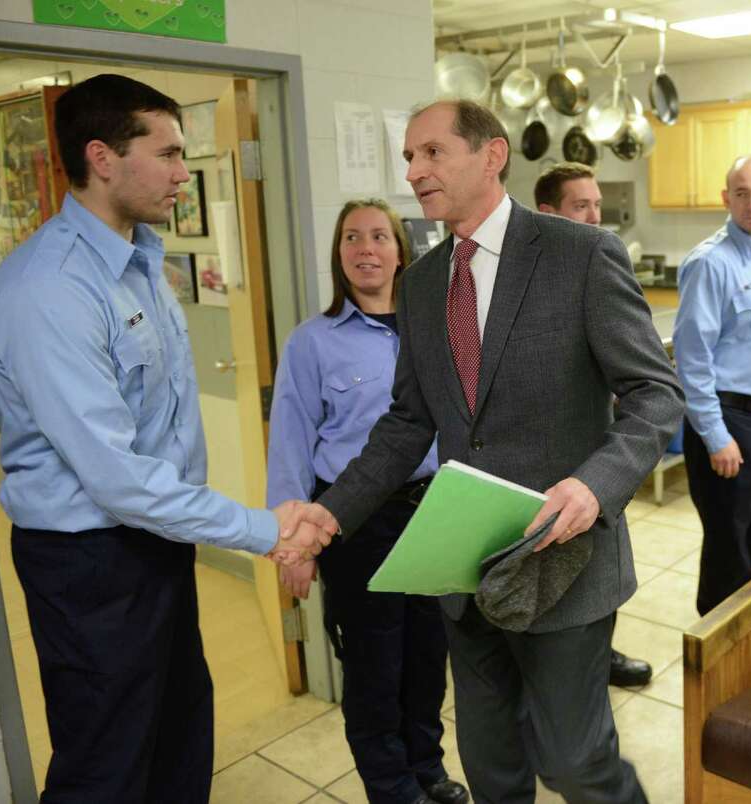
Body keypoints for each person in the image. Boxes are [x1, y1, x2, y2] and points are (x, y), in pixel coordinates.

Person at [278, 100, 684, 803]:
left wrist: (595, 485)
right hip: (466, 575)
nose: (414, 171)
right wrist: (331, 511)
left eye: (432, 152)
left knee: (574, 763)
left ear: (492, 155)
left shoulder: (580, 255)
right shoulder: (421, 283)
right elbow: (409, 422)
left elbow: (655, 393)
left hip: (565, 558)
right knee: (491, 764)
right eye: (409, 157)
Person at [0, 74, 327, 803]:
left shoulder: (138, 260)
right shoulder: (51, 288)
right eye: (167, 154)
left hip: (153, 546)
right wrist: (265, 530)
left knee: (177, 736)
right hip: (89, 564)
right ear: (102, 157)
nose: (182, 173)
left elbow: (159, 434)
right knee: (105, 766)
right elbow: (117, 478)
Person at [267, 199, 468, 804]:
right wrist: (293, 543)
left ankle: (426, 767)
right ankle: (392, 787)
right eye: (352, 238)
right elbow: (290, 442)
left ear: (401, 252)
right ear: (339, 254)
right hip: (355, 521)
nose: (366, 249)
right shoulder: (312, 342)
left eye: (379, 236)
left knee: (427, 655)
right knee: (375, 665)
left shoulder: (435, 329)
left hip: (433, 511)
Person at [532, 161, 653, 689]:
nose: (595, 216)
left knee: (596, 573)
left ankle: (602, 654)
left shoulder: (599, 262)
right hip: (538, 464)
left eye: (597, 204)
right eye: (581, 206)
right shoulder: (528, 280)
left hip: (593, 458)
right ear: (547, 213)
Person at [673, 155, 751, 615]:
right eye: (742, 194)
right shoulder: (710, 263)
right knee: (729, 549)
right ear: (726, 198)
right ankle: (718, 646)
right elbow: (692, 360)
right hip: (730, 423)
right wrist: (715, 435)